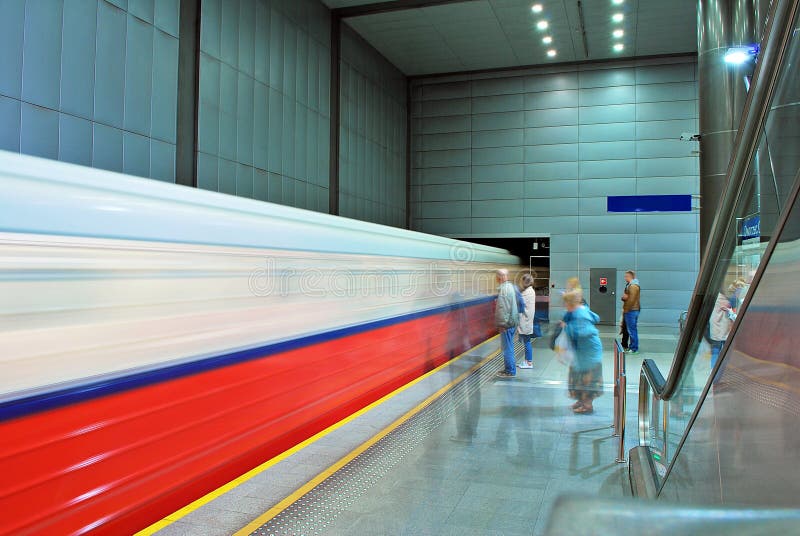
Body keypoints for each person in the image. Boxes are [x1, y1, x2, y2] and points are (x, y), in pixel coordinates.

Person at [562, 290, 604, 414]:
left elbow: (582, 332)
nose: (565, 306)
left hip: (589, 352)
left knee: (588, 378)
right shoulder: (580, 310)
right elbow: (596, 317)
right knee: (578, 376)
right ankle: (581, 401)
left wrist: (567, 327)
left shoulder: (580, 313)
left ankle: (587, 405)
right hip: (583, 352)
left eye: (566, 303)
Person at [494, 269, 518, 378]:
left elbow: (502, 309)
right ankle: (509, 369)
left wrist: (502, 324)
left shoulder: (504, 290)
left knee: (507, 348)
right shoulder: (510, 287)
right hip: (512, 322)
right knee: (509, 346)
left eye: (497, 276)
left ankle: (510, 371)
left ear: (500, 277)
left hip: (507, 324)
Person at [708, 287, 735, 368]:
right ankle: (718, 369)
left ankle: (713, 370)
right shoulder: (724, 300)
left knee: (715, 350)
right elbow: (730, 308)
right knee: (722, 350)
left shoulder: (714, 298)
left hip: (716, 328)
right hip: (723, 329)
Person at [517, 273, 537, 369]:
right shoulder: (531, 291)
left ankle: (529, 362)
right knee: (527, 341)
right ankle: (527, 361)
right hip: (528, 321)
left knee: (527, 342)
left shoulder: (526, 293)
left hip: (525, 321)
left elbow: (519, 303)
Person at [622, 270, 641, 354]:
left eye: (626, 276)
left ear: (630, 277)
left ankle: (634, 348)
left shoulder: (633, 286)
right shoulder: (630, 285)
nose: (625, 278)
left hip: (631, 310)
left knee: (632, 330)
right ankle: (632, 347)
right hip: (632, 310)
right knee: (632, 330)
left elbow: (631, 300)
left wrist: (626, 310)